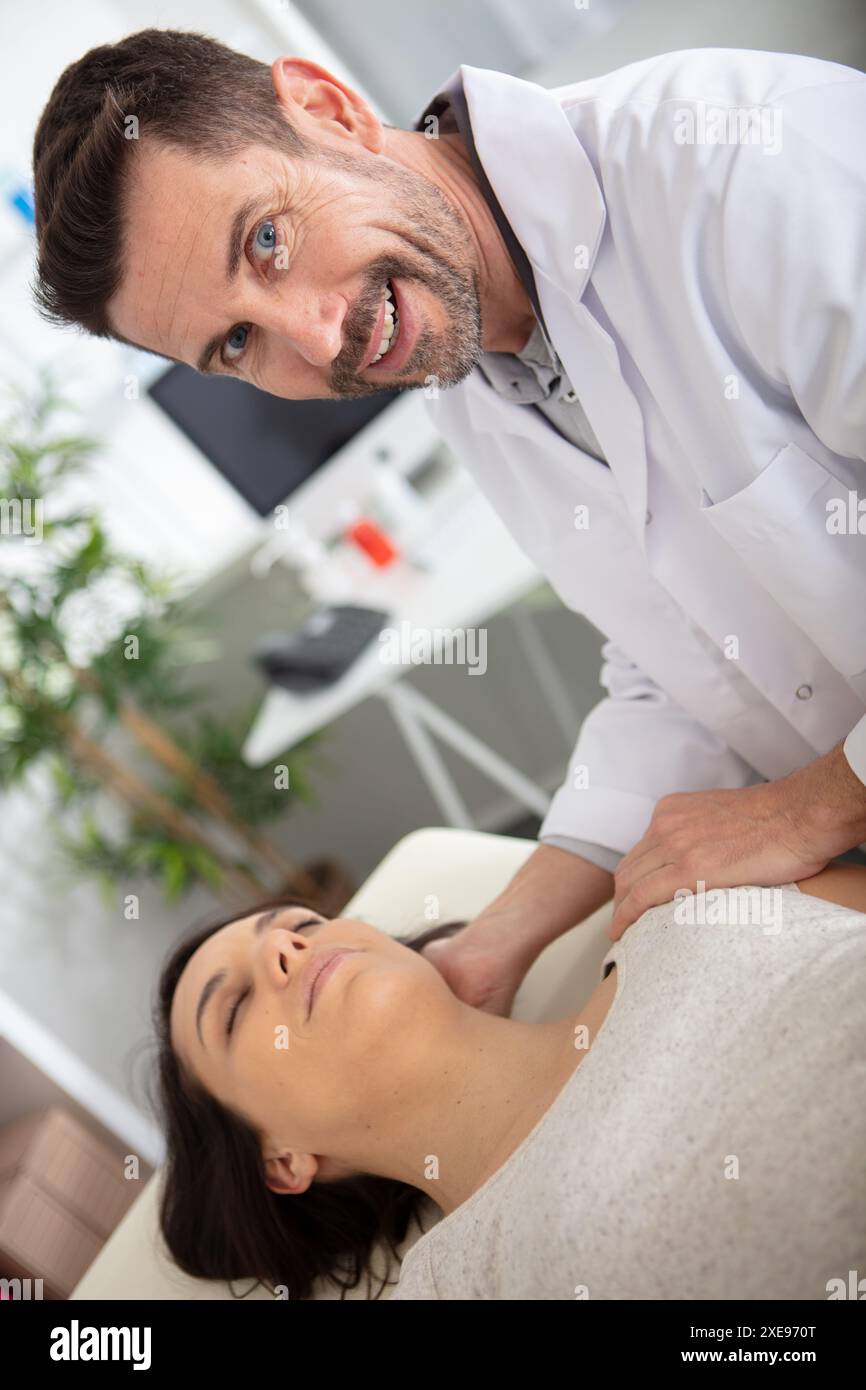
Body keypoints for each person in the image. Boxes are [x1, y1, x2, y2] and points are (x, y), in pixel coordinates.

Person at [32, 32, 866, 1012]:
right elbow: (684, 661)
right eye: (236, 341)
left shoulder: (734, 168)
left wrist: (809, 806)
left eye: (267, 240)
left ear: (329, 109)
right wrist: (496, 941)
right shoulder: (466, 375)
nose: (316, 335)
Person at [157, 860, 866, 1300]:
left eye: (303, 922)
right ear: (282, 1160)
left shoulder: (684, 910)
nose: (287, 945)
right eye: (236, 1007)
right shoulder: (460, 1286)